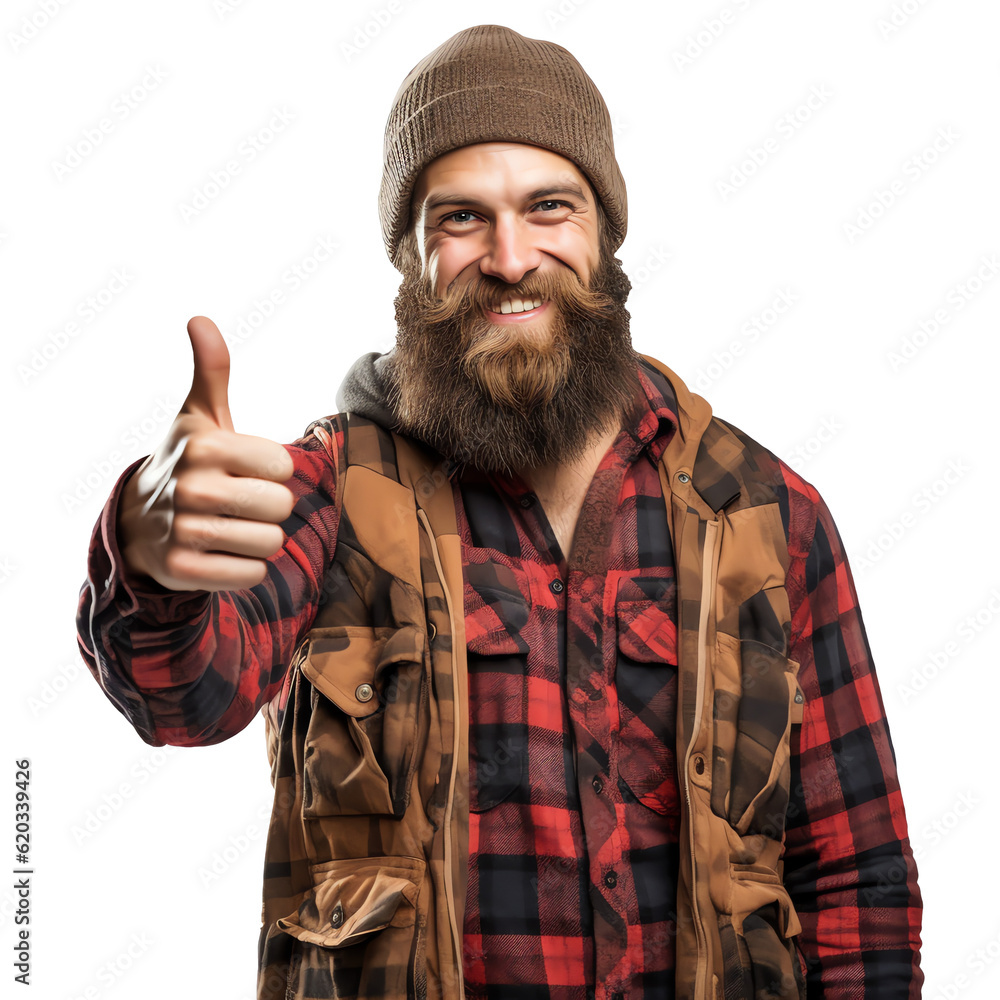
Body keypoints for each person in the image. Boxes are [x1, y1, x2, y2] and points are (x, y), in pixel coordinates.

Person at [76, 23, 923, 1000]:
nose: (511, 256)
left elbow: (859, 890)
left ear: (603, 231)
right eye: (462, 219)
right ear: (412, 259)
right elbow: (186, 695)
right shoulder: (326, 491)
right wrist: (151, 558)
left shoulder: (771, 515)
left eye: (548, 208)